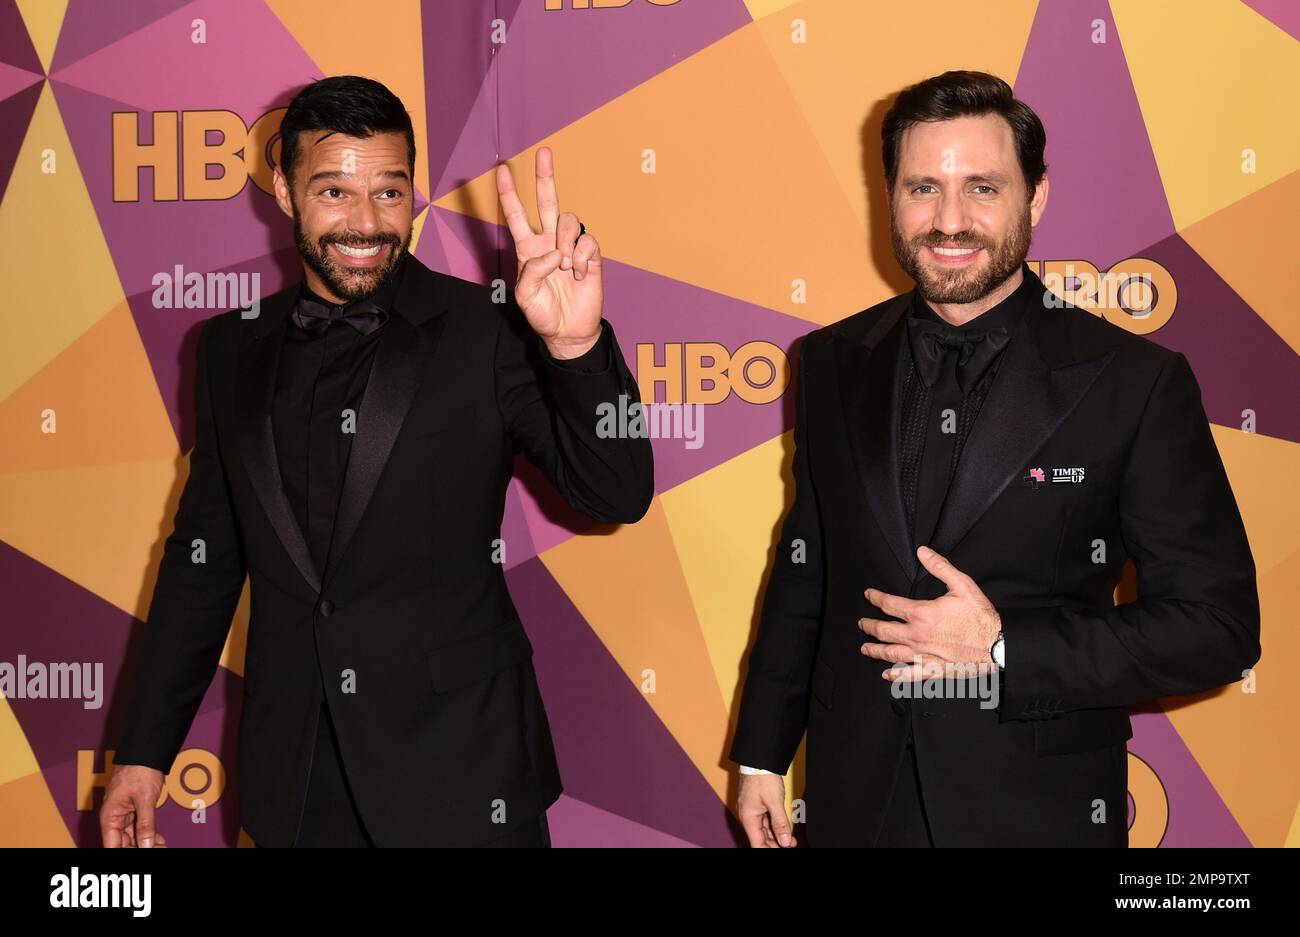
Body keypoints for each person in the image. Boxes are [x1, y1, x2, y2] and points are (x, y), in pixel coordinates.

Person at [100, 75, 653, 848]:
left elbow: (617, 491)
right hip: (296, 784)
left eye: (390, 194)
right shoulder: (229, 348)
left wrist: (574, 346)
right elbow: (203, 562)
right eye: (333, 191)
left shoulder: (486, 330)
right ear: (286, 193)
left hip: (465, 776)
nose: (366, 222)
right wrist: (145, 752)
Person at [729, 70, 1260, 848]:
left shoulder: (1135, 384)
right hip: (855, 801)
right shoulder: (830, 362)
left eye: (982, 187)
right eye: (922, 188)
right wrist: (762, 755)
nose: (949, 220)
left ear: (1035, 197)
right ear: (890, 197)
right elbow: (806, 570)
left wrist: (1004, 646)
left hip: (1038, 808)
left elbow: (1216, 626)